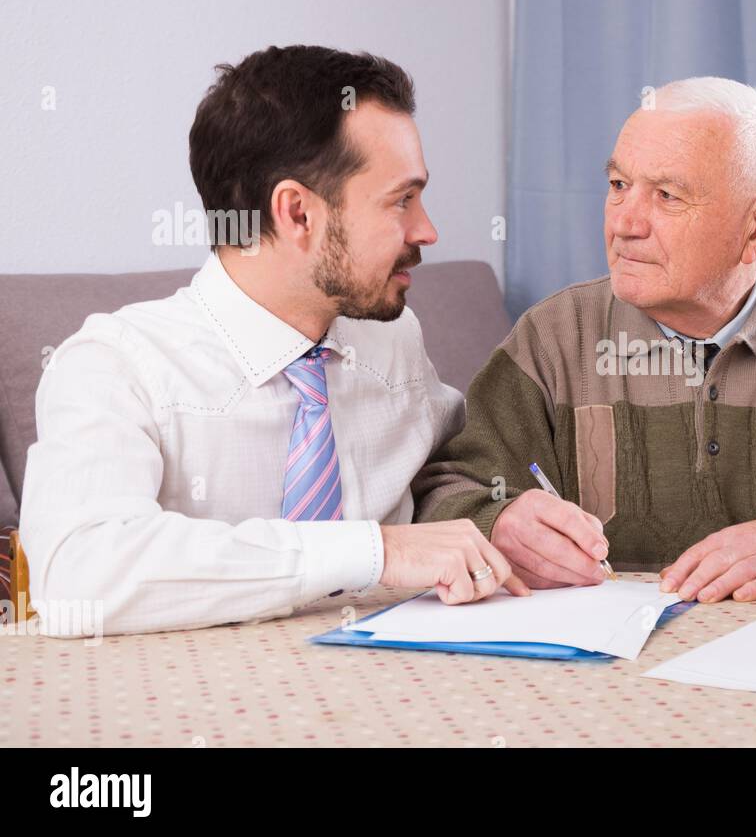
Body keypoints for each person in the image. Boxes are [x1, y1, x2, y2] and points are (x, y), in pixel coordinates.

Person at [20, 46, 526, 636]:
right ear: (297, 213)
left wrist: (507, 511)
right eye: (401, 200)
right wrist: (375, 551)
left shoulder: (390, 340)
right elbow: (79, 575)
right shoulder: (114, 366)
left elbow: (451, 463)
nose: (428, 230)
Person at [415, 77, 756, 604]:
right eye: (619, 185)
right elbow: (444, 494)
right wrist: (498, 518)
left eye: (667, 196)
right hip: (595, 674)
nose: (624, 223)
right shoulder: (550, 340)